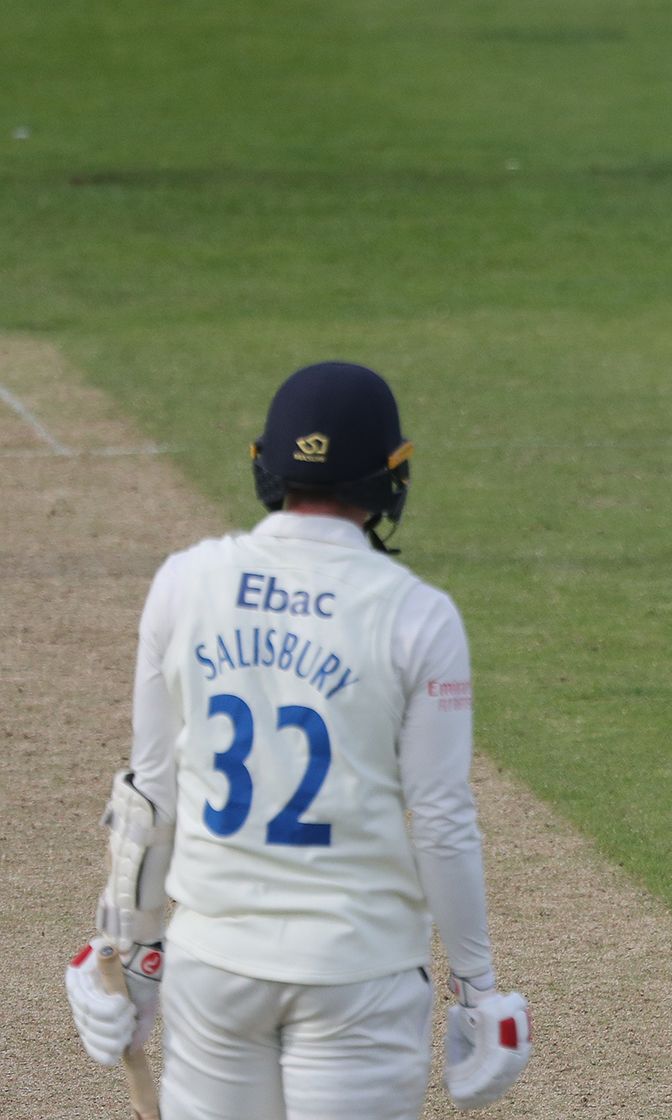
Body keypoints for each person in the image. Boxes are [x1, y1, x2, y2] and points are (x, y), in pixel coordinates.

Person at [65, 361, 532, 1119]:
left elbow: (150, 796)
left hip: (214, 965)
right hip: (360, 973)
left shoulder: (185, 582)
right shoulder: (418, 614)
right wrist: (477, 990)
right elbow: (442, 819)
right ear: (391, 479)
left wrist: (128, 949)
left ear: (266, 467)